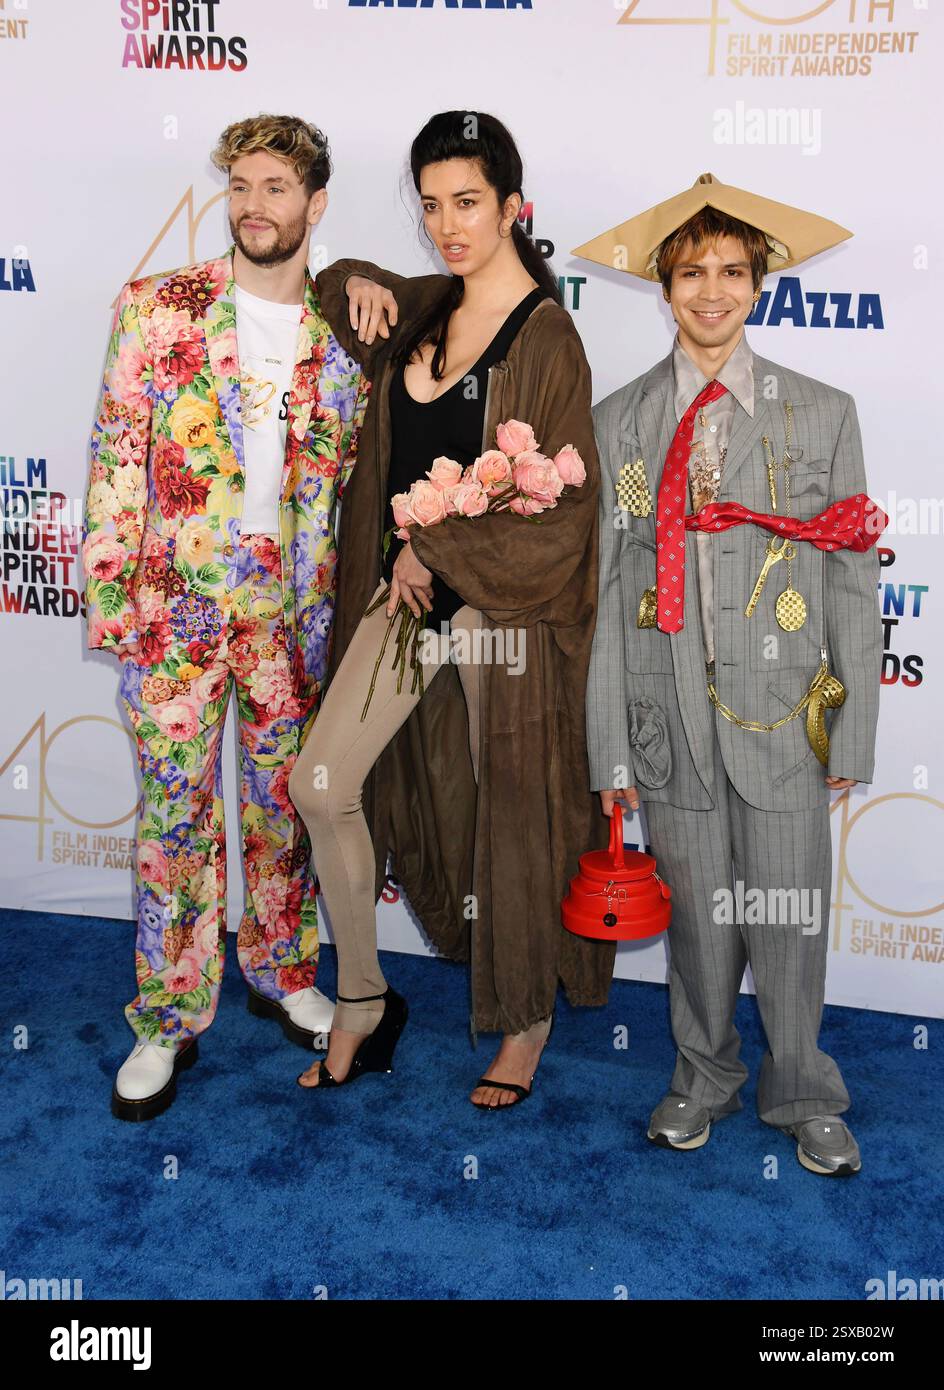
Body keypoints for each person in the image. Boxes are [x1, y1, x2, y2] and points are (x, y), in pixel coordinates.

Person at [288, 110, 616, 1107]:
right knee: (320, 783)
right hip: (405, 602)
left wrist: (438, 546)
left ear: (515, 207)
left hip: (500, 619)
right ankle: (362, 998)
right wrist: (350, 280)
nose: (447, 226)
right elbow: (336, 289)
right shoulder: (428, 303)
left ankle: (524, 1019)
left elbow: (565, 514)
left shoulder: (548, 338)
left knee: (505, 813)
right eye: (430, 206)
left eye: (467, 203)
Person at [578, 174, 883, 1174]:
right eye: (690, 273)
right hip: (665, 718)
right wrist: (611, 746)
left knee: (788, 913)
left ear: (759, 282)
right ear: (662, 285)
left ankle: (802, 1087)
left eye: (731, 271)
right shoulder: (621, 421)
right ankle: (701, 1073)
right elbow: (607, 589)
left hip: (785, 717)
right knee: (700, 920)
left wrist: (852, 729)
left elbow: (850, 576)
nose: (711, 291)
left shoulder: (820, 412)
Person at [83, 114, 369, 1121]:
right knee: (176, 817)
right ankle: (166, 1017)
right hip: (173, 612)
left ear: (315, 203)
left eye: (276, 188)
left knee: (284, 804)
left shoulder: (344, 338)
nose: (254, 206)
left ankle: (283, 970)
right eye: (240, 186)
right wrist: (115, 605)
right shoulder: (158, 309)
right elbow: (118, 458)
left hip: (290, 611)